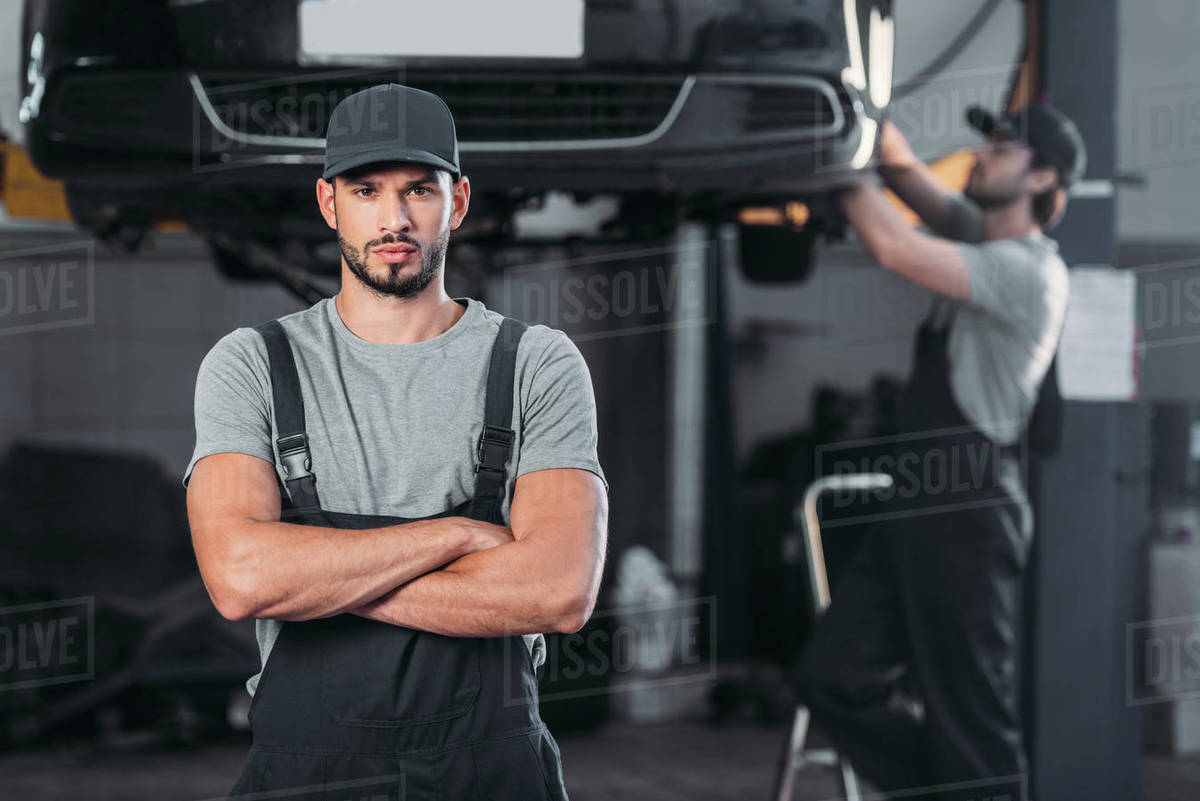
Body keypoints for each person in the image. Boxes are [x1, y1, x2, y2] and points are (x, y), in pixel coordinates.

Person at [183, 83, 609, 800]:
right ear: (329, 204)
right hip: (308, 773)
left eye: (419, 189)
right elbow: (241, 579)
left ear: (459, 201)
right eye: (365, 190)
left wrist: (316, 576)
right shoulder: (252, 362)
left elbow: (560, 589)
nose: (393, 217)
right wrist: (460, 535)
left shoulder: (537, 361)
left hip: (491, 770)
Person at [797, 101, 1086, 798]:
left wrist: (825, 155)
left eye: (1004, 147)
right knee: (832, 675)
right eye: (986, 140)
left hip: (971, 516)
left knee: (973, 720)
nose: (983, 153)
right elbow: (900, 169)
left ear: (1044, 176)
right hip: (916, 509)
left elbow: (895, 245)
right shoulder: (978, 236)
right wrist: (850, 107)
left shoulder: (1028, 271)